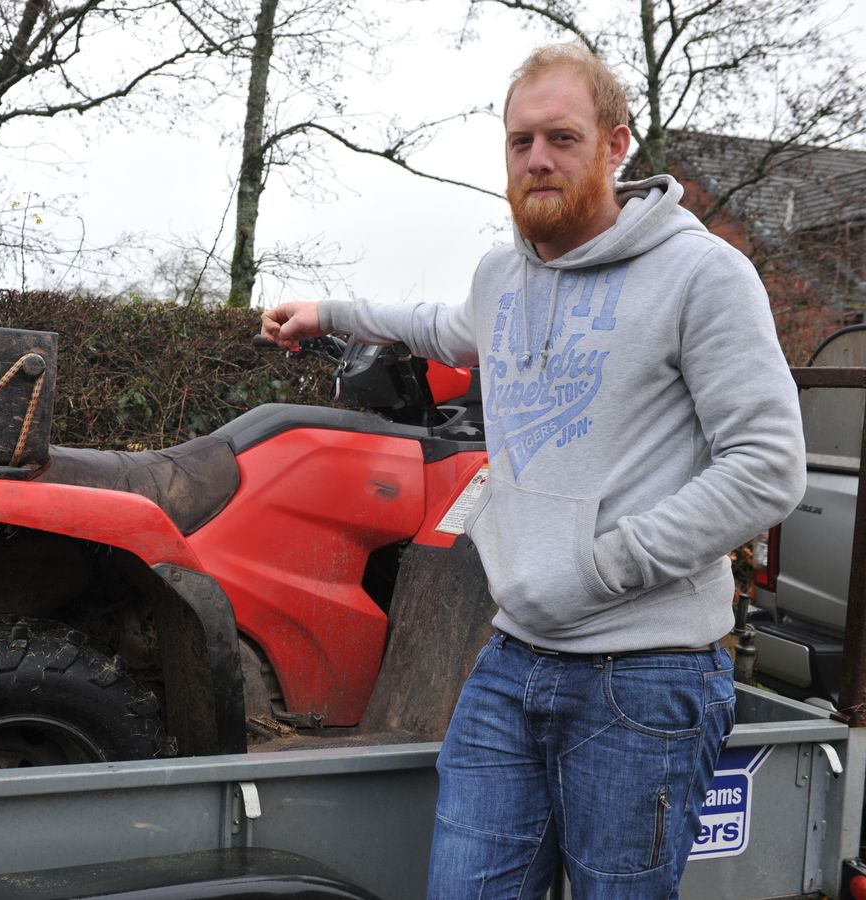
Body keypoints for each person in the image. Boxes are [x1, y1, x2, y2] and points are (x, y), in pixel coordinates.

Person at [259, 42, 805, 899]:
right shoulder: (503, 274)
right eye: (521, 142)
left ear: (615, 144)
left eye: (561, 137)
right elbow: (440, 324)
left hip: (647, 675)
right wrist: (324, 309)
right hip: (513, 659)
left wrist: (598, 568)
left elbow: (768, 469)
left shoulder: (703, 276)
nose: (538, 159)